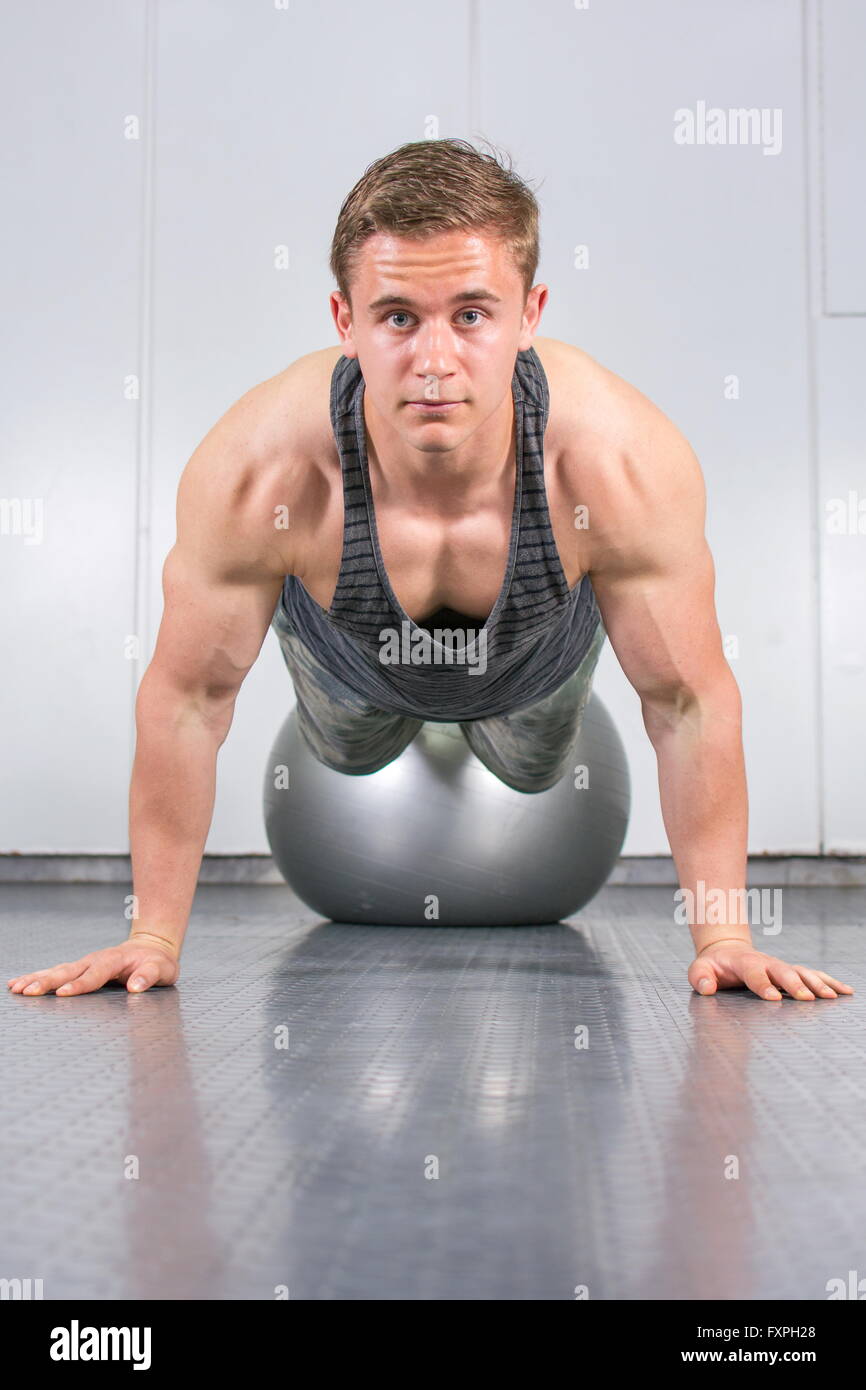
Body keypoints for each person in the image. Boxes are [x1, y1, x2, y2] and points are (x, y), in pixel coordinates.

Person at [8, 138, 852, 1004]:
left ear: (532, 314)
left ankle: (516, 732)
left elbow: (687, 701)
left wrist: (727, 937)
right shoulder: (265, 471)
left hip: (535, 671)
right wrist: (151, 934)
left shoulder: (615, 463)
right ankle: (364, 722)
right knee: (346, 743)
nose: (436, 361)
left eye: (474, 315)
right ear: (345, 322)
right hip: (348, 670)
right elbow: (188, 699)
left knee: (532, 766)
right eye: (399, 316)